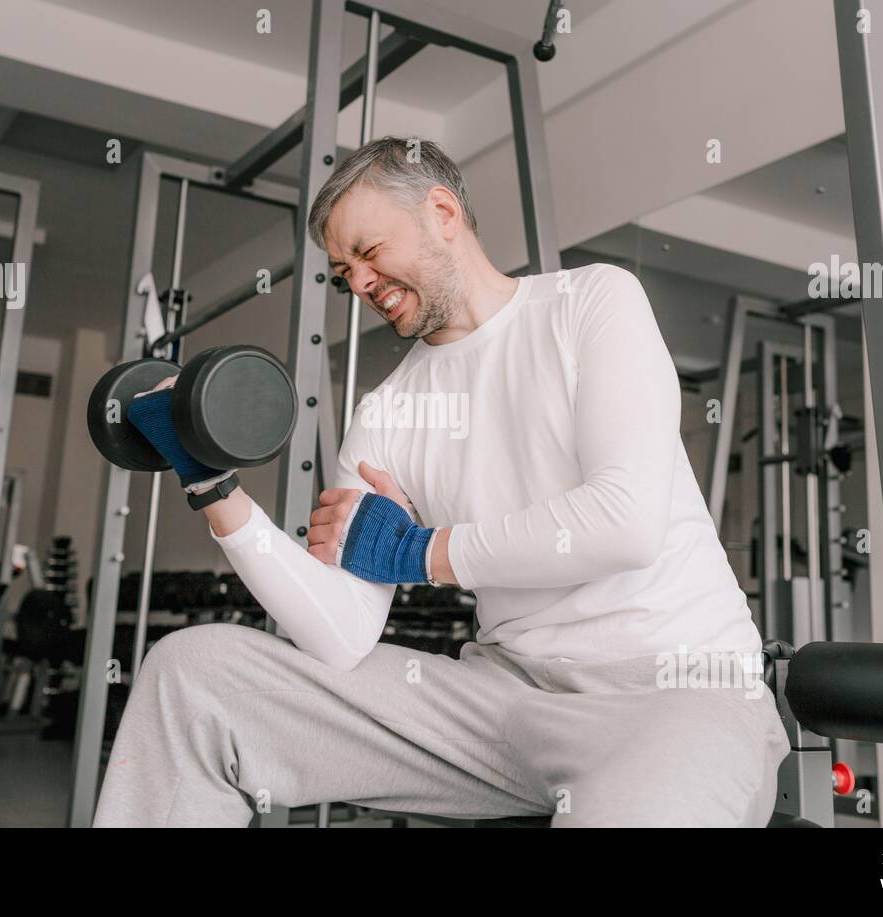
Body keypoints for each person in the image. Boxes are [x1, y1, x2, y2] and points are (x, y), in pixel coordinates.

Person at [92, 137, 790, 828]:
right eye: (343, 274)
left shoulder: (594, 302)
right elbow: (340, 636)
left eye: (368, 253)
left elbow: (625, 521)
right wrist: (214, 487)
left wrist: (418, 551)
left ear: (443, 213)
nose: (359, 285)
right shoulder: (386, 412)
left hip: (677, 690)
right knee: (195, 674)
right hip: (503, 704)